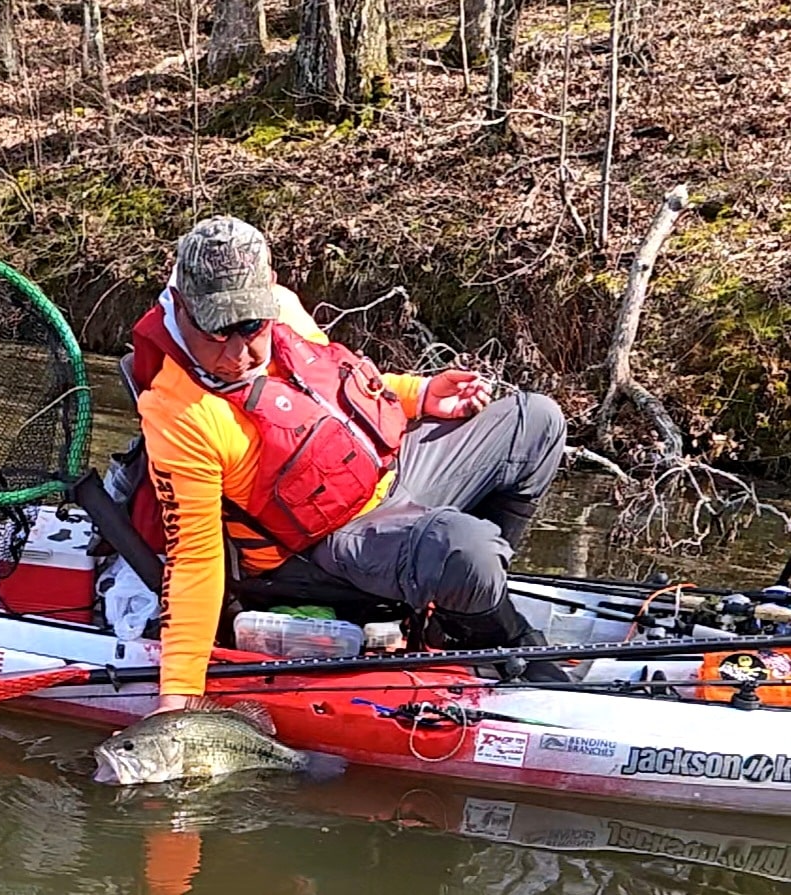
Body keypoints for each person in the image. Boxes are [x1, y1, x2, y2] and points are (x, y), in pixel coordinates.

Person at [130, 216, 567, 713]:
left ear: (269, 291)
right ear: (182, 307)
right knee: (467, 550)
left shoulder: (283, 309)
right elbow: (194, 560)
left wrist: (419, 394)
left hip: (388, 472)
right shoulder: (176, 410)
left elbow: (335, 396)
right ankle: (511, 642)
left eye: (251, 326)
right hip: (320, 543)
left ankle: (462, 612)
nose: (240, 352)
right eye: (216, 332)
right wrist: (179, 697)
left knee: (537, 421)